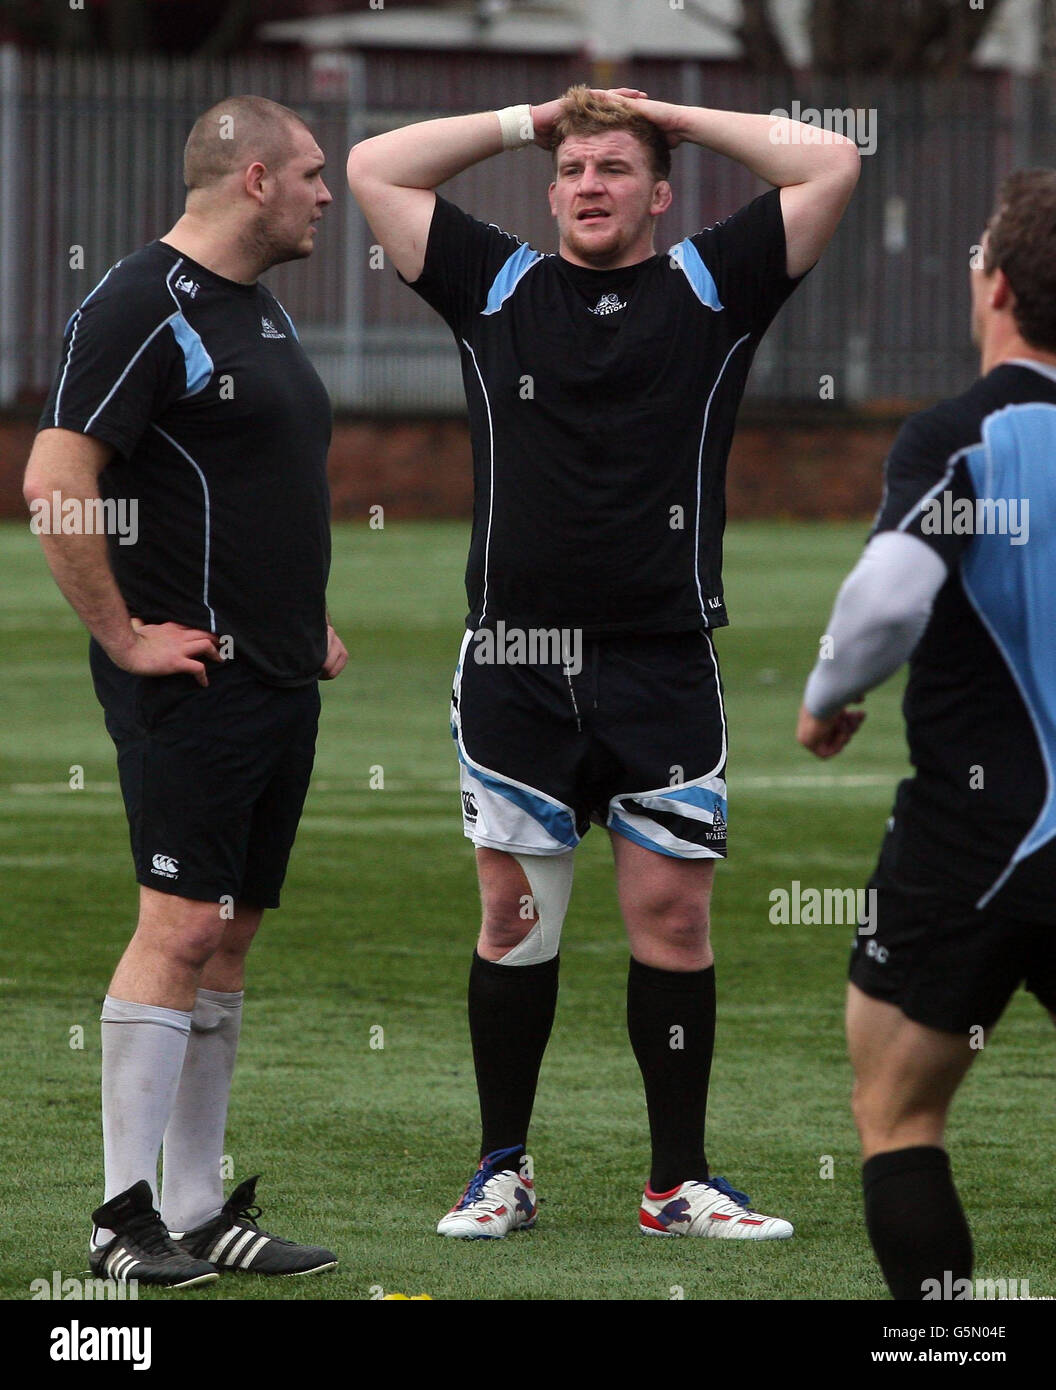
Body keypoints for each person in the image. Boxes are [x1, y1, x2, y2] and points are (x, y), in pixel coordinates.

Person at [347, 84, 859, 1240]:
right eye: (574, 169)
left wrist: (663, 107)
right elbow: (380, 163)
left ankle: (677, 1182)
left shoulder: (711, 285)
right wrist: (537, 116)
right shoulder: (498, 284)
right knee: (515, 917)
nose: (591, 185)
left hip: (663, 659)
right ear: (549, 187)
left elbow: (827, 164)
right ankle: (501, 1171)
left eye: (617, 168)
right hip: (517, 662)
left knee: (674, 922)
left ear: (660, 192)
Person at [24, 95, 347, 1288]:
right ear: (253, 177)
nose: (329, 193)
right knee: (177, 929)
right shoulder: (135, 301)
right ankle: (120, 1219)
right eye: (313, 173)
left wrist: (301, 616)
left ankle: (202, 1208)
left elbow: (248, 478)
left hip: (274, 675)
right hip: (191, 685)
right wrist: (122, 634)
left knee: (230, 931)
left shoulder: (256, 308)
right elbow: (57, 475)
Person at [797, 169, 1056, 1299]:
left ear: (995, 285)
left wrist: (829, 691)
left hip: (978, 834)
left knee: (899, 1112)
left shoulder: (962, 435)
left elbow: (889, 597)